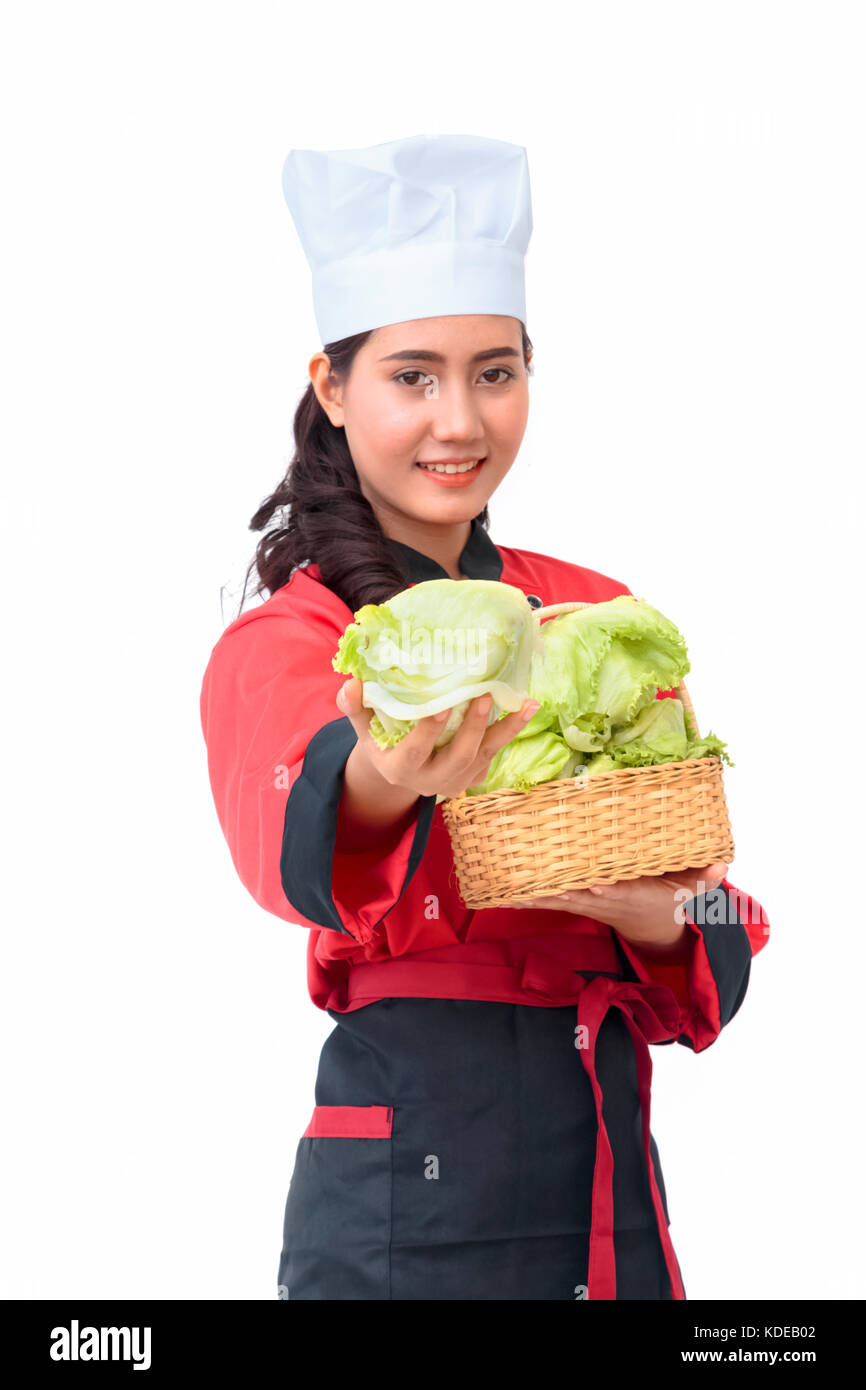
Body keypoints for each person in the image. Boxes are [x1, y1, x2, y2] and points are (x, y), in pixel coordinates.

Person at [199, 133, 770, 1301]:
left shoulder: (589, 612)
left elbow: (722, 894)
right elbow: (292, 856)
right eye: (412, 375)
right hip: (408, 1181)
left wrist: (663, 913)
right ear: (330, 387)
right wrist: (388, 766)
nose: (458, 421)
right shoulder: (295, 643)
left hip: (600, 1166)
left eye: (493, 372)